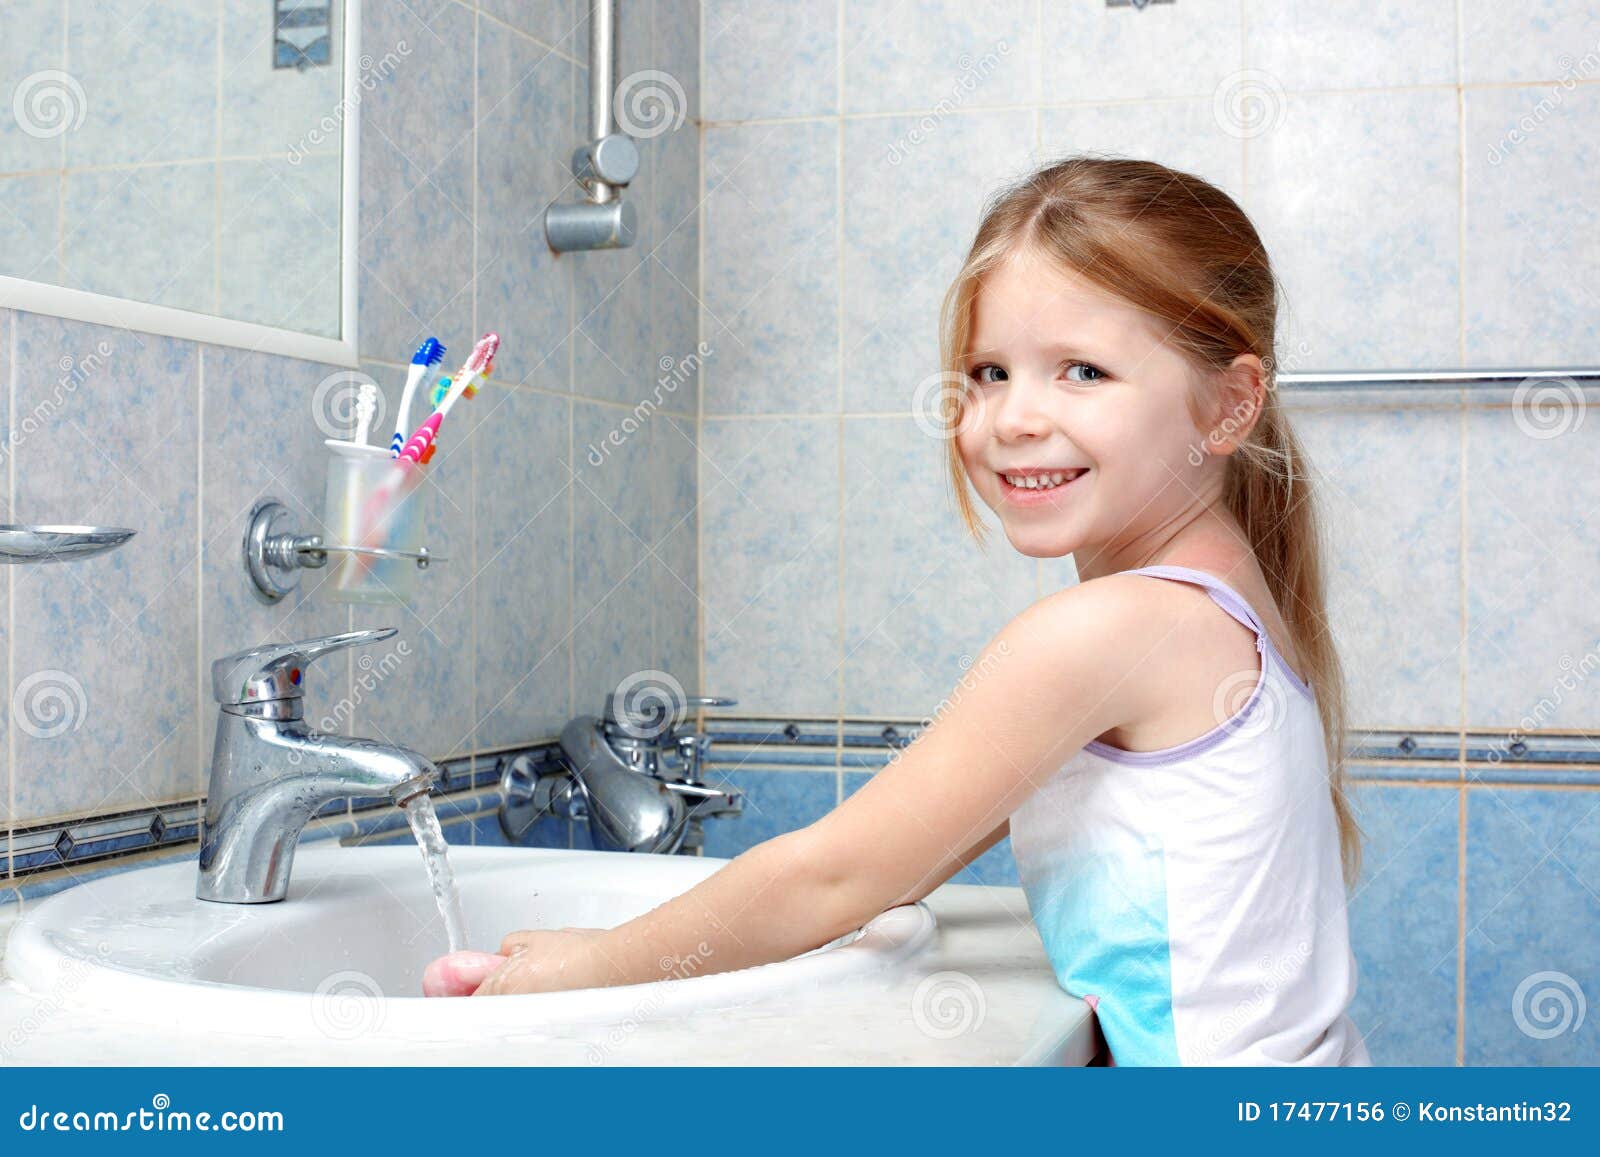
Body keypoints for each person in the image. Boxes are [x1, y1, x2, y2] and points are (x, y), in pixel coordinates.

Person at [423, 155, 1371, 1066]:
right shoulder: (1233, 599)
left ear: (1230, 406)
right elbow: (916, 852)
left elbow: (837, 874)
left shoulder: (1113, 631)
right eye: (990, 371)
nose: (1014, 417)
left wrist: (586, 968)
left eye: (1083, 370)